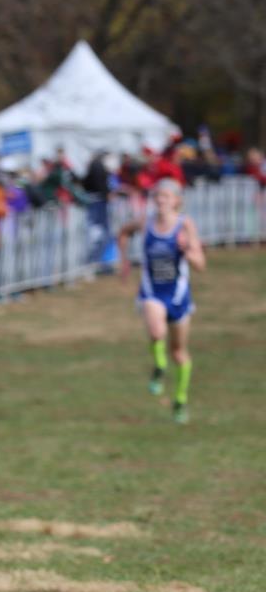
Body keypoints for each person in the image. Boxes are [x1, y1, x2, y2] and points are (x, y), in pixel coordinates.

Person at [119, 178, 206, 424]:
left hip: (178, 296)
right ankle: (159, 367)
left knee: (179, 352)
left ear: (176, 200)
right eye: (157, 196)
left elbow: (201, 265)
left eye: (165, 196)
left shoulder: (185, 225)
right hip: (152, 292)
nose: (160, 201)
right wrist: (124, 261)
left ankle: (180, 400)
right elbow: (123, 232)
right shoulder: (146, 223)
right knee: (156, 331)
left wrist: (187, 249)